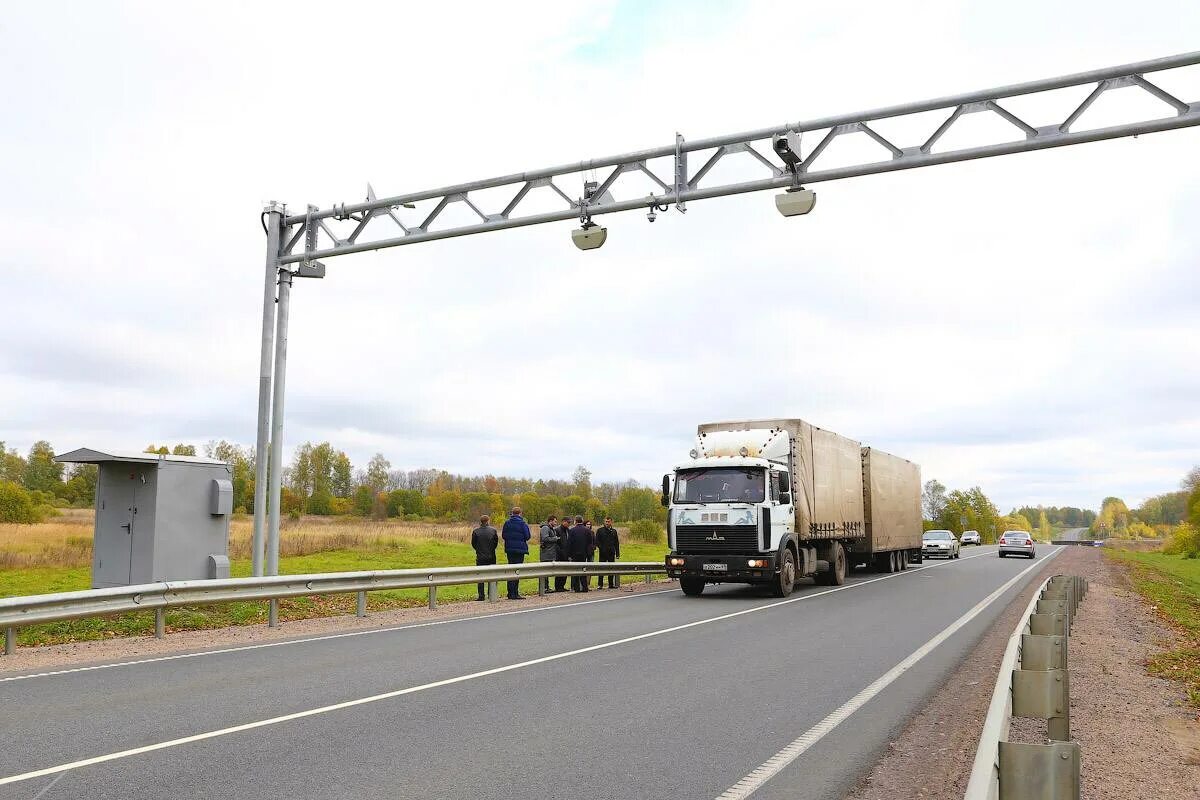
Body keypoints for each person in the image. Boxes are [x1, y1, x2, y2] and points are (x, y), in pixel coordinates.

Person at [501, 507, 531, 600]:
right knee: (517, 571)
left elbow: (503, 535)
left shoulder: (507, 523)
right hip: (520, 550)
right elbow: (527, 536)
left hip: (510, 549)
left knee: (510, 569)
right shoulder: (523, 524)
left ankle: (510, 593)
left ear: (512, 513)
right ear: (520, 513)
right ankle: (515, 593)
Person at [470, 515, 499, 601]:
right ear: (488, 521)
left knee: (480, 576)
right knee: (492, 576)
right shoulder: (493, 531)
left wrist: (479, 550)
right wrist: (490, 550)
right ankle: (491, 593)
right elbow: (495, 543)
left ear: (481, 522)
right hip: (491, 556)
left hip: (480, 556)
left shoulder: (476, 531)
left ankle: (481, 595)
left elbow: (473, 544)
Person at [566, 515, 591, 592]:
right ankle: (585, 587)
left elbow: (570, 543)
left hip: (574, 554)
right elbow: (590, 543)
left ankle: (577, 588)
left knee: (576, 571)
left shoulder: (572, 530)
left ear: (575, 521)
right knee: (583, 570)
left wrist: (569, 555)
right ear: (582, 521)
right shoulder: (587, 530)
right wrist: (588, 553)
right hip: (584, 554)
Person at [595, 516, 620, 589]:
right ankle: (600, 584)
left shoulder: (614, 531)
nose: (607, 523)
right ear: (604, 522)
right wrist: (601, 548)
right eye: (606, 521)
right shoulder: (600, 530)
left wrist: (617, 553)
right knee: (601, 569)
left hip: (611, 553)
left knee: (611, 569)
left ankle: (611, 584)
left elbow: (616, 543)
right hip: (603, 553)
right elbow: (597, 541)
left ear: (611, 522)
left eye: (608, 521)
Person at [538, 515, 560, 594]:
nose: (556, 523)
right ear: (550, 521)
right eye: (555, 521)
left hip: (550, 553)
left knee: (547, 572)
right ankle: (543, 588)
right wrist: (555, 538)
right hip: (546, 553)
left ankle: (546, 587)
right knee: (544, 572)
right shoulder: (545, 528)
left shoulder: (551, 529)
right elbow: (545, 538)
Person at [554, 516, 572, 592]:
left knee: (565, 571)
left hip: (567, 554)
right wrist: (561, 552)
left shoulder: (568, 530)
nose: (569, 524)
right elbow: (556, 543)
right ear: (563, 521)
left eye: (570, 523)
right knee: (559, 571)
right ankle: (558, 587)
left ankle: (562, 586)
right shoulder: (557, 530)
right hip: (560, 554)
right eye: (568, 522)